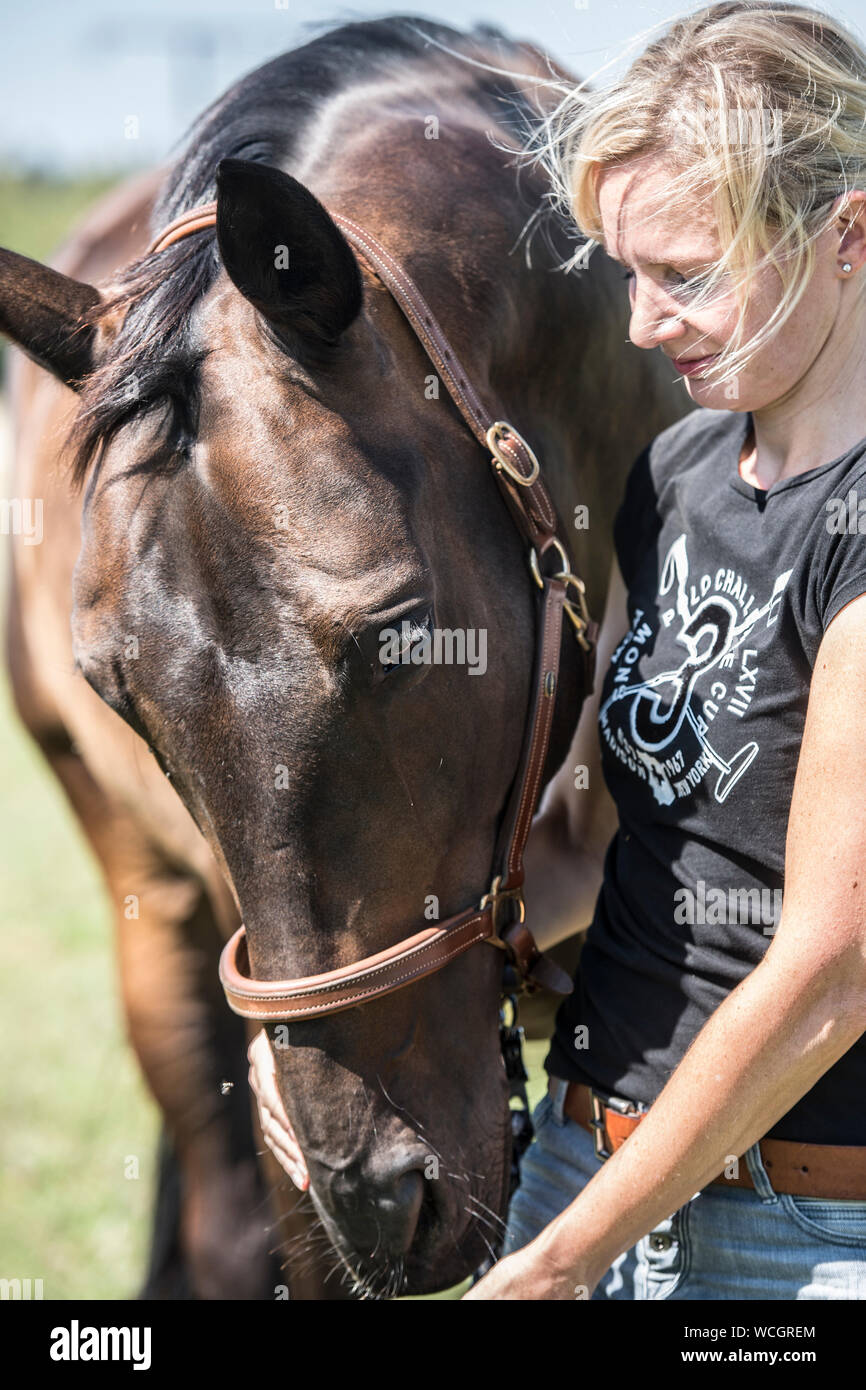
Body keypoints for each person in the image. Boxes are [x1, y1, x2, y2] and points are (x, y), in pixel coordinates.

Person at [249, 1, 866, 1299]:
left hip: (797, 1233)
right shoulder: (679, 472)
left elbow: (834, 969)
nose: (643, 324)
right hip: (582, 1165)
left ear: (849, 235)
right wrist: (332, 1019)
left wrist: (562, 1263)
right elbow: (592, 842)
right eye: (627, 275)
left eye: (687, 274)